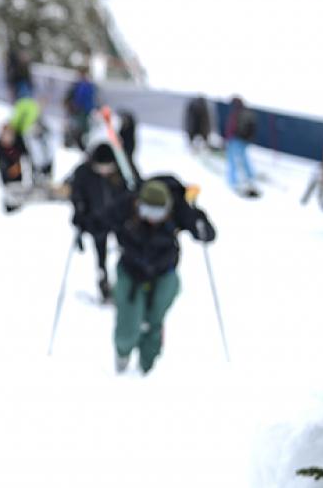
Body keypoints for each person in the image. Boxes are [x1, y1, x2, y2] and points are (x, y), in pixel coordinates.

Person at [92, 176, 216, 374]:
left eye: (158, 212)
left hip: (164, 272)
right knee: (129, 323)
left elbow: (207, 235)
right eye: (147, 211)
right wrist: (83, 219)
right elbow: (98, 222)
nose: (151, 217)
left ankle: (147, 367)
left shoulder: (179, 208)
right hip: (131, 272)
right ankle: (123, 355)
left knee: (153, 320)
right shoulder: (127, 204)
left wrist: (200, 223)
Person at [67, 143, 130, 302]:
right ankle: (103, 282)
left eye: (107, 168)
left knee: (127, 251)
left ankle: (126, 286)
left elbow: (132, 192)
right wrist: (80, 218)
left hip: (120, 220)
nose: (104, 171)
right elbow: (77, 197)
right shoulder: (83, 173)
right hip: (97, 221)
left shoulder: (123, 170)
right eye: (100, 168)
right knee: (100, 253)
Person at [224, 96, 258, 195]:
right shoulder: (247, 112)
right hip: (244, 140)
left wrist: (227, 138)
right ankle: (250, 176)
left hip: (235, 139)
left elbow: (232, 127)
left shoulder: (236, 113)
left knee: (232, 160)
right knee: (243, 158)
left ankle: (232, 181)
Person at [63, 68, 98, 150]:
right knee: (76, 127)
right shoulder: (79, 85)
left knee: (82, 128)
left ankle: (82, 145)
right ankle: (75, 144)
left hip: (83, 109)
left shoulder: (87, 86)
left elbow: (88, 98)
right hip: (78, 109)